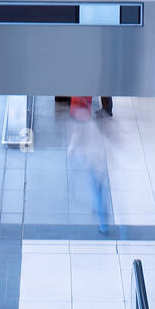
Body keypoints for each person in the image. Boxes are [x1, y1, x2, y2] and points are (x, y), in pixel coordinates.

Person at [67, 100, 111, 234]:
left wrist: (71, 151)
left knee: (97, 191)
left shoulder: (79, 128)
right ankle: (98, 209)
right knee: (100, 189)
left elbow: (73, 145)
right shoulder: (92, 124)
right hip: (101, 162)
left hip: (93, 164)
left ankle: (103, 224)